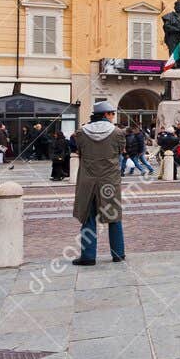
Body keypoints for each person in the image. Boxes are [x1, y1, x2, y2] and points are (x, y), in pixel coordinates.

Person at [70, 100, 126, 265]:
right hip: (109, 180)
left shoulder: (81, 133)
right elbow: (119, 153)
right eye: (112, 114)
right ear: (106, 114)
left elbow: (79, 151)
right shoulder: (118, 133)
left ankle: (88, 256)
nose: (113, 117)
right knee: (114, 217)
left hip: (87, 180)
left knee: (88, 217)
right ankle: (118, 253)